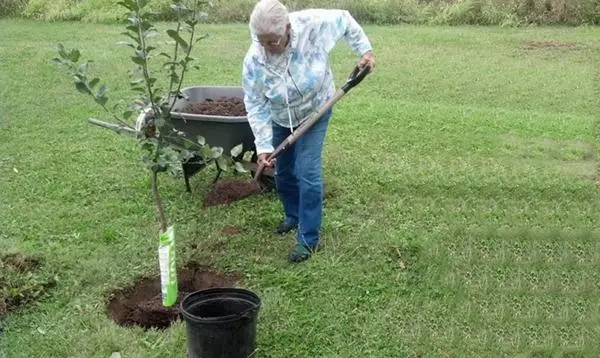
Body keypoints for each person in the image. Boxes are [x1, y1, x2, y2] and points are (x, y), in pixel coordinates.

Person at [242, 0, 375, 263]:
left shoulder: (312, 25)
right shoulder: (254, 60)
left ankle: (308, 238)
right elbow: (255, 103)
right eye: (262, 41)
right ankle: (293, 215)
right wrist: (264, 146)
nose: (267, 48)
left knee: (307, 170)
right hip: (280, 118)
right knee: (283, 172)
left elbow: (345, 20)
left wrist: (365, 51)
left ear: (288, 28)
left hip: (316, 110)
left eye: (273, 41)